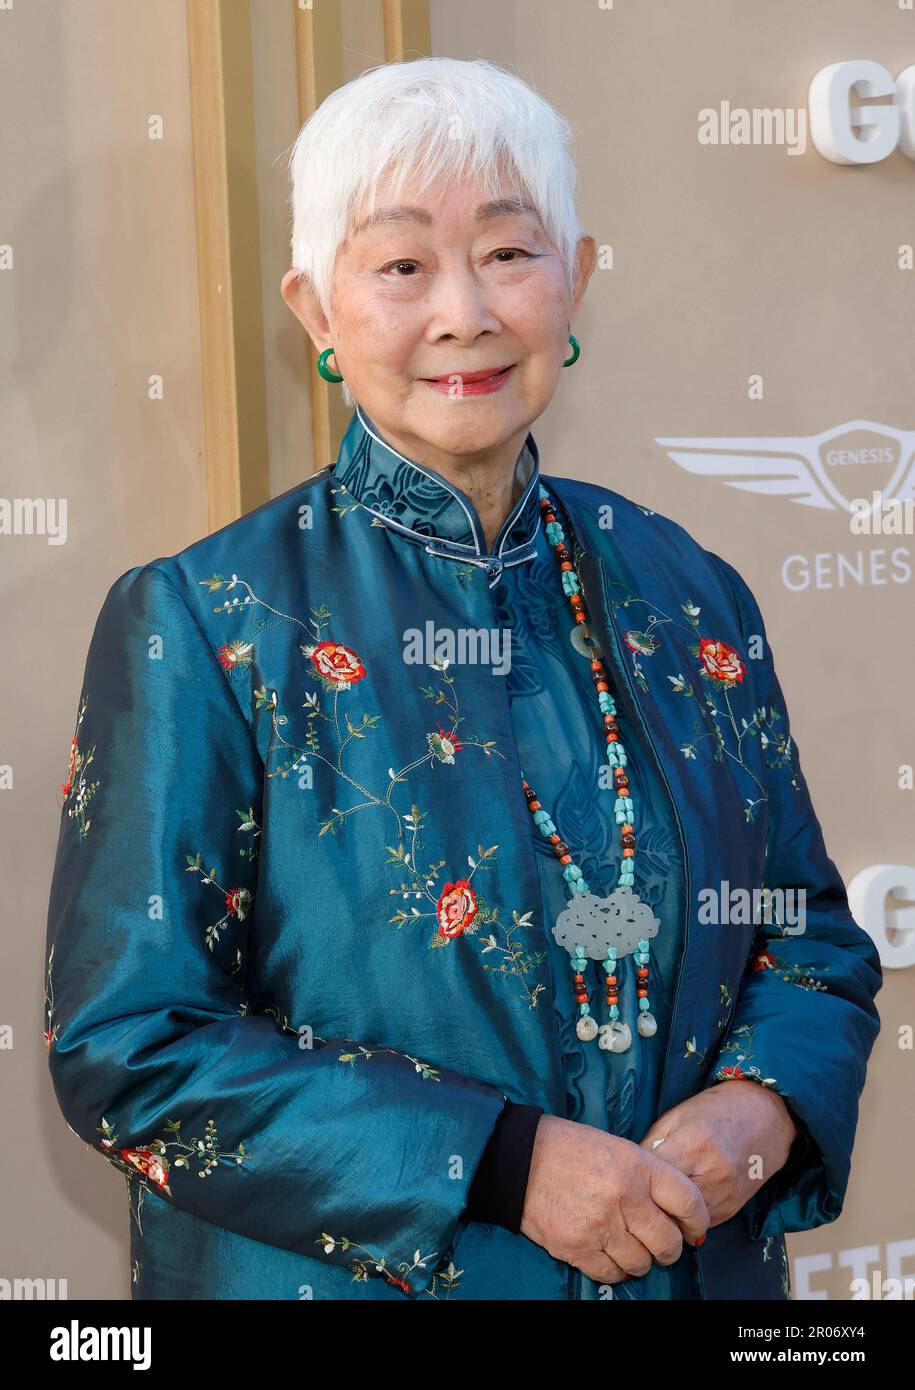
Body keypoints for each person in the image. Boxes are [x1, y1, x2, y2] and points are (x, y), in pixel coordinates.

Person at [44, 56, 882, 1301]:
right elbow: (131, 1043)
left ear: (576, 277)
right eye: (399, 267)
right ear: (316, 312)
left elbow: (807, 933)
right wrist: (501, 1165)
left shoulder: (690, 591)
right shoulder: (208, 621)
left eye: (506, 253)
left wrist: (761, 1109)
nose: (464, 313)